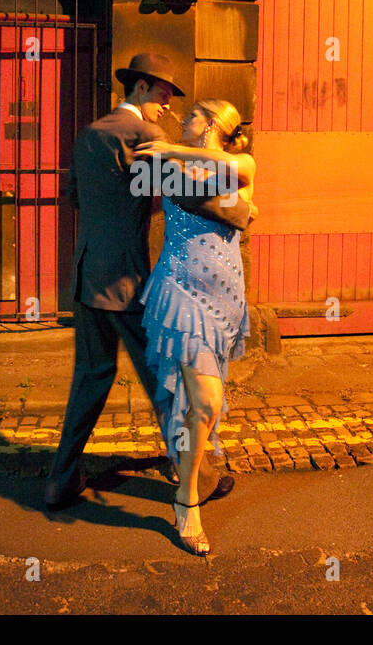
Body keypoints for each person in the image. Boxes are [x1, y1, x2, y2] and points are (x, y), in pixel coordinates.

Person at [44, 54, 247, 512]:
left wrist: (127, 204)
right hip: (129, 282)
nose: (167, 107)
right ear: (140, 88)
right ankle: (199, 478)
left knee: (91, 379)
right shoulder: (146, 136)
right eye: (161, 95)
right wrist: (239, 211)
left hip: (86, 275)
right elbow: (184, 193)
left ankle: (59, 482)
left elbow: (76, 196)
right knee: (164, 380)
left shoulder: (91, 133)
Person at [133, 98, 255, 555]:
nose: (181, 119)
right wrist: (242, 207)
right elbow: (232, 208)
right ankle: (187, 503)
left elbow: (234, 197)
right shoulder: (169, 171)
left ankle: (187, 469)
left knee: (197, 406)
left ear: (212, 125)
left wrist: (170, 149)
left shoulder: (241, 161)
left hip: (226, 299)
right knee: (205, 402)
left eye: (192, 116)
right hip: (182, 294)